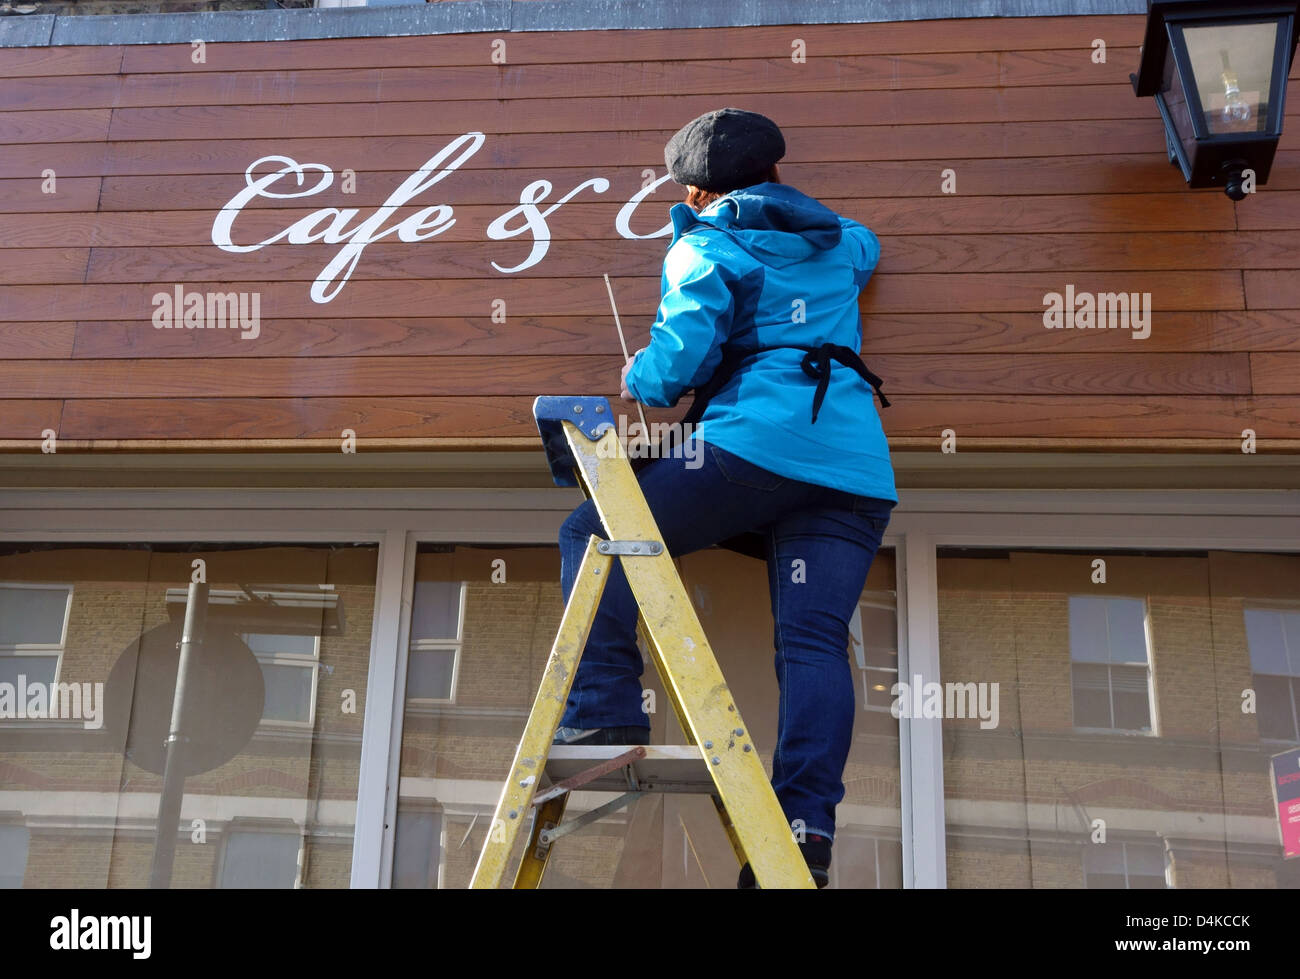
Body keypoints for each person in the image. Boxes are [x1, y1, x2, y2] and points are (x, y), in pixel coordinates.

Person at [552, 108, 898, 888]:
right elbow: (865, 249)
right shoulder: (841, 240)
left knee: (595, 528)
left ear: (696, 189)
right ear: (776, 171)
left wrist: (638, 371)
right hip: (849, 467)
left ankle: (605, 709)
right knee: (813, 644)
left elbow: (675, 369)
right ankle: (804, 832)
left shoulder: (705, 242)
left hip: (754, 444)